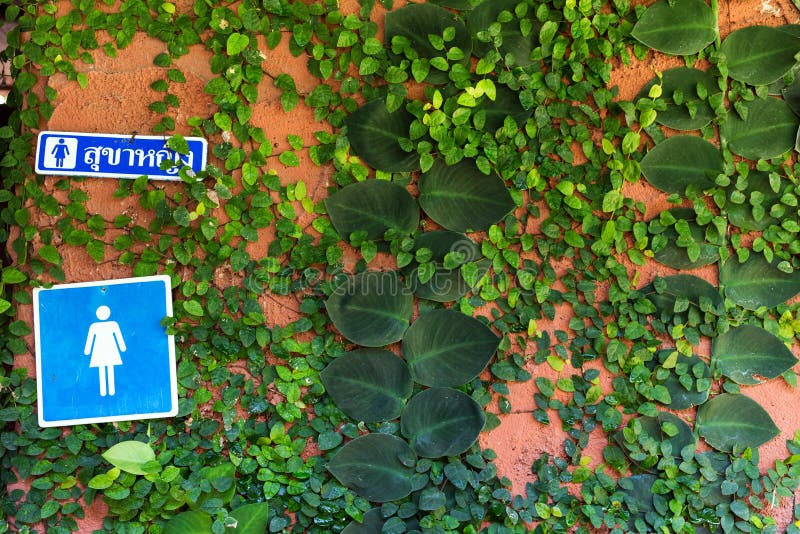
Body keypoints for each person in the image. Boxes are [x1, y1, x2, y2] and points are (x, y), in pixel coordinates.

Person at [84, 305, 126, 397]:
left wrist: (87, 351)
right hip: (103, 349)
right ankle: (105, 391)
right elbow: (90, 338)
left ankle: (109, 391)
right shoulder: (96, 326)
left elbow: (118, 336)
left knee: (106, 369)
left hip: (105, 349)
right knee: (105, 369)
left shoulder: (111, 324)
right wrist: (122, 348)